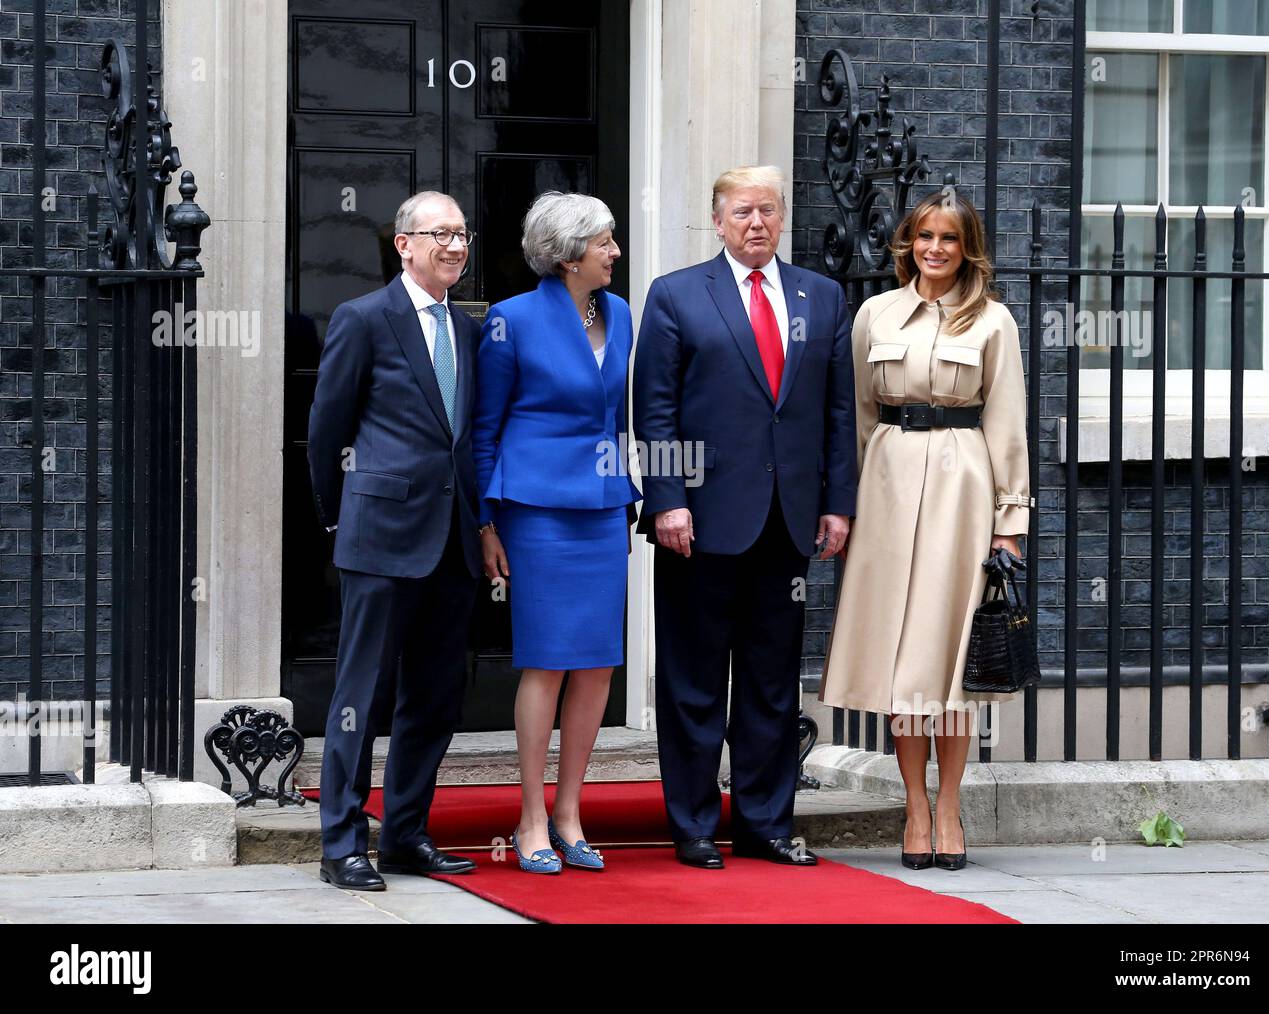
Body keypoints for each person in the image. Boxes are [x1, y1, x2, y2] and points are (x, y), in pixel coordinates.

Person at [633, 166, 857, 869]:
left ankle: (765, 823)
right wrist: (668, 501)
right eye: (741, 212)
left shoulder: (820, 298)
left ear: (782, 217)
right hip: (698, 524)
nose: (755, 223)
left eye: (766, 211)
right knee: (693, 682)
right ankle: (695, 824)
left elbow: (839, 413)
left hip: (787, 523)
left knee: (770, 682)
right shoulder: (675, 296)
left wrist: (838, 503)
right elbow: (655, 409)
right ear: (718, 219)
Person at [819, 189, 1034, 872]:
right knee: (903, 660)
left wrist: (1011, 525)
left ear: (966, 248)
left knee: (951, 661)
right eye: (923, 237)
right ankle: (914, 806)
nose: (934, 250)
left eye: (947, 239)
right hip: (886, 483)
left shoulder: (993, 321)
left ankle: (949, 807)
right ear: (907, 242)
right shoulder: (875, 314)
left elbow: (1007, 424)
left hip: (963, 488)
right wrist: (844, 507)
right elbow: (855, 413)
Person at [308, 191, 482, 891]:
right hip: (380, 538)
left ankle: (406, 834)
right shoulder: (364, 318)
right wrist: (335, 518)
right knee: (362, 695)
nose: (456, 246)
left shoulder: (470, 330)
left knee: (435, 698)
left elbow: (464, 440)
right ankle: (342, 841)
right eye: (440, 234)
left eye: (463, 235)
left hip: (453, 544)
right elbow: (326, 431)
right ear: (404, 244)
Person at [473, 192, 641, 874]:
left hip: (602, 503)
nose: (615, 252)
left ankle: (571, 810)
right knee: (546, 659)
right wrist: (486, 520)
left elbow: (622, 414)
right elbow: (485, 426)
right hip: (535, 505)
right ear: (571, 255)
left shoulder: (622, 313)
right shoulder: (511, 320)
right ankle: (531, 815)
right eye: (605, 242)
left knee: (598, 660)